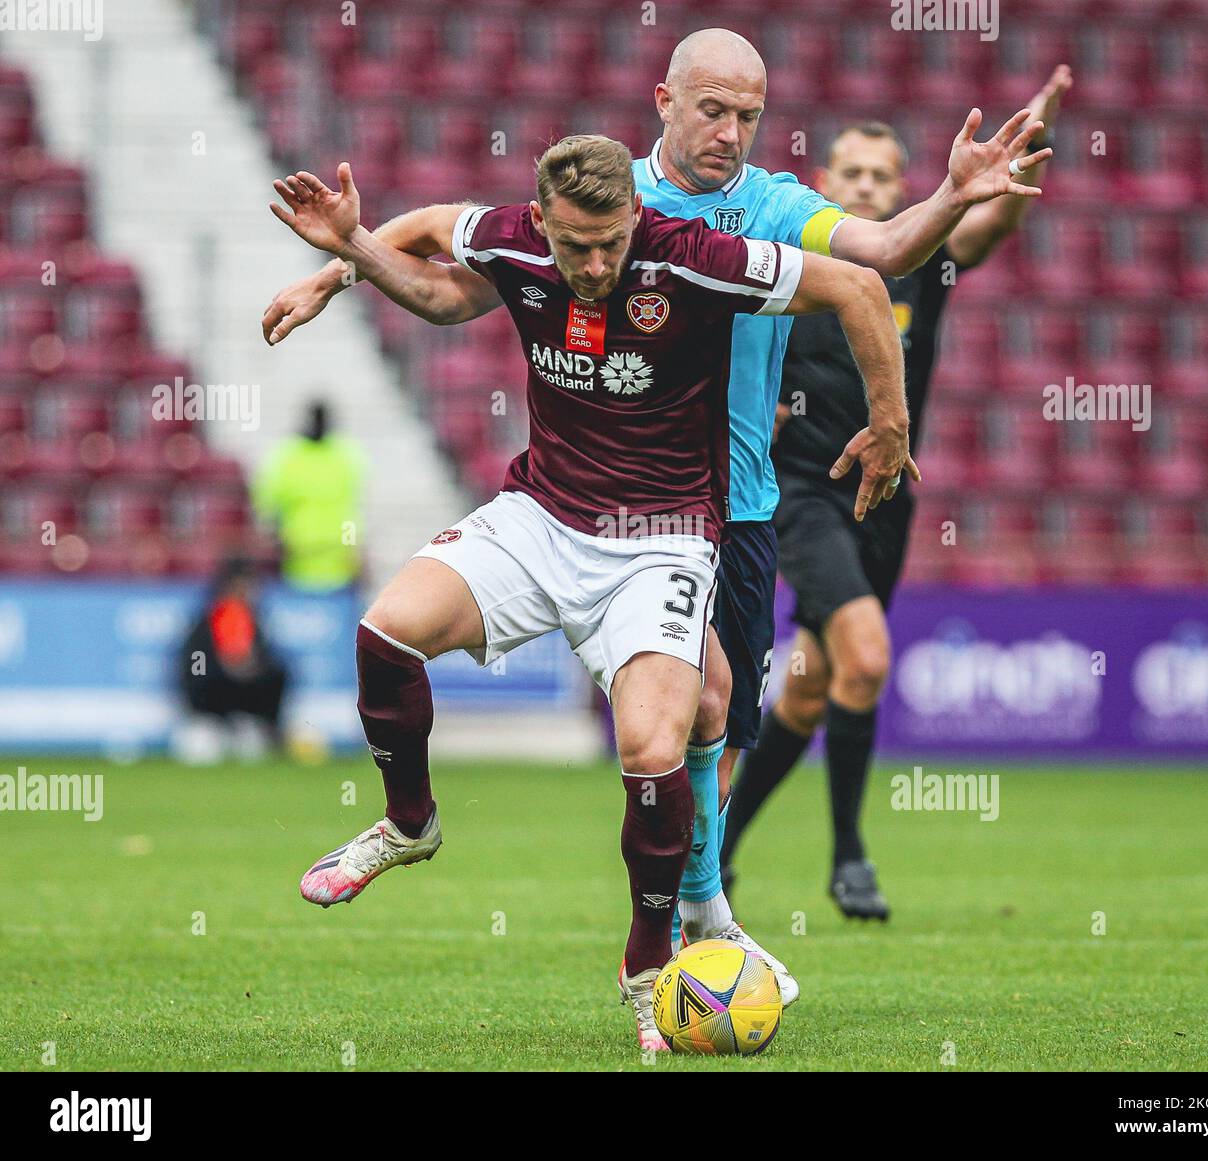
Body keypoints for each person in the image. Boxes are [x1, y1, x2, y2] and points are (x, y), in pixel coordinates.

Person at [262, 29, 1051, 987]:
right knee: (677, 730)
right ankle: (694, 934)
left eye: (749, 116)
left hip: (733, 503)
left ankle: (700, 923)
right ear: (663, 99)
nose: (730, 132)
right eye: (713, 110)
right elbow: (442, 251)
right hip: (593, 503)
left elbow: (877, 254)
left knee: (712, 735)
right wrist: (334, 265)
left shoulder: (765, 208)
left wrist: (950, 199)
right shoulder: (597, 198)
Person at [266, 133, 914, 1050]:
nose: (598, 264)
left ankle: (650, 964)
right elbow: (442, 292)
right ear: (541, 224)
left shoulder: (693, 258)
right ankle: (409, 821)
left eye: (613, 243)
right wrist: (350, 252)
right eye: (578, 247)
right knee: (386, 631)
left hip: (663, 541)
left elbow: (856, 284)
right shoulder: (509, 237)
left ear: (636, 221)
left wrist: (889, 424)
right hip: (542, 515)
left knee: (653, 747)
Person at [722, 66, 1073, 920]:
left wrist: (1020, 162)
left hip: (888, 496)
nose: (870, 186)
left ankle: (718, 851)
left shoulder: (923, 262)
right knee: (868, 655)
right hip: (801, 488)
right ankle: (850, 859)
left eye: (884, 175)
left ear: (903, 187)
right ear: (825, 184)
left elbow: (990, 224)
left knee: (810, 684)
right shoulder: (792, 262)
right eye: (855, 173)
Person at [178, 555, 288, 755]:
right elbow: (196, 672)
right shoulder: (209, 621)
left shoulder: (252, 620)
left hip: (243, 711)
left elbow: (266, 665)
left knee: (278, 673)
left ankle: (262, 728)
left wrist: (251, 671)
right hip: (209, 713)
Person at [252, 398, 366, 592]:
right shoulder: (287, 456)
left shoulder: (345, 456)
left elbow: (351, 511)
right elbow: (268, 508)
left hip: (335, 563)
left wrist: (353, 548)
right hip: (296, 561)